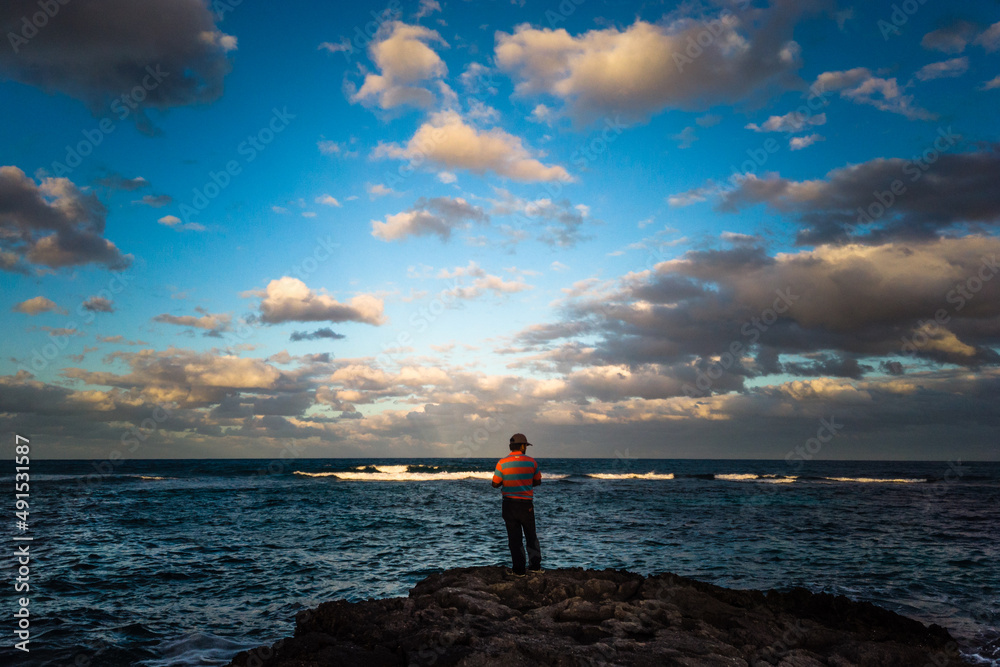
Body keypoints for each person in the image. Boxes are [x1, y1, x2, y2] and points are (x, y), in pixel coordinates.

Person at [492, 433, 543, 576]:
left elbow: (495, 484)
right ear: (522, 446)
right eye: (525, 446)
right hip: (526, 505)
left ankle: (519, 570)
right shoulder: (532, 462)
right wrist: (525, 483)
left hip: (509, 505)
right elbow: (538, 481)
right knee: (531, 536)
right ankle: (535, 567)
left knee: (514, 538)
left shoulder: (502, 463)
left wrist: (507, 481)